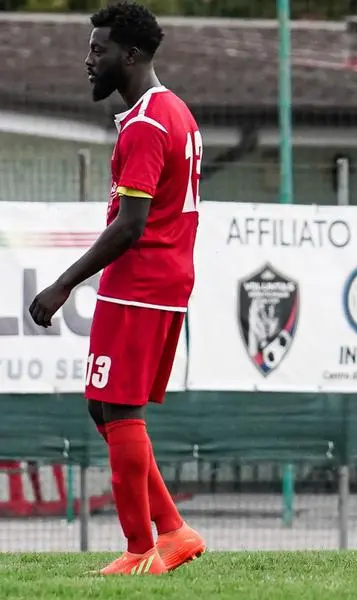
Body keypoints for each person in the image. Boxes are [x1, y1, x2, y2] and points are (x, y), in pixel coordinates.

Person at [29, 1, 205, 576]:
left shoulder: (152, 123)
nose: (88, 60)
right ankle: (174, 531)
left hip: (142, 283)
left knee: (120, 410)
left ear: (130, 55)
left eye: (98, 49)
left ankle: (139, 550)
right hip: (159, 280)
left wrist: (61, 285)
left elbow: (130, 226)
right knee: (103, 407)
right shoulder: (170, 110)